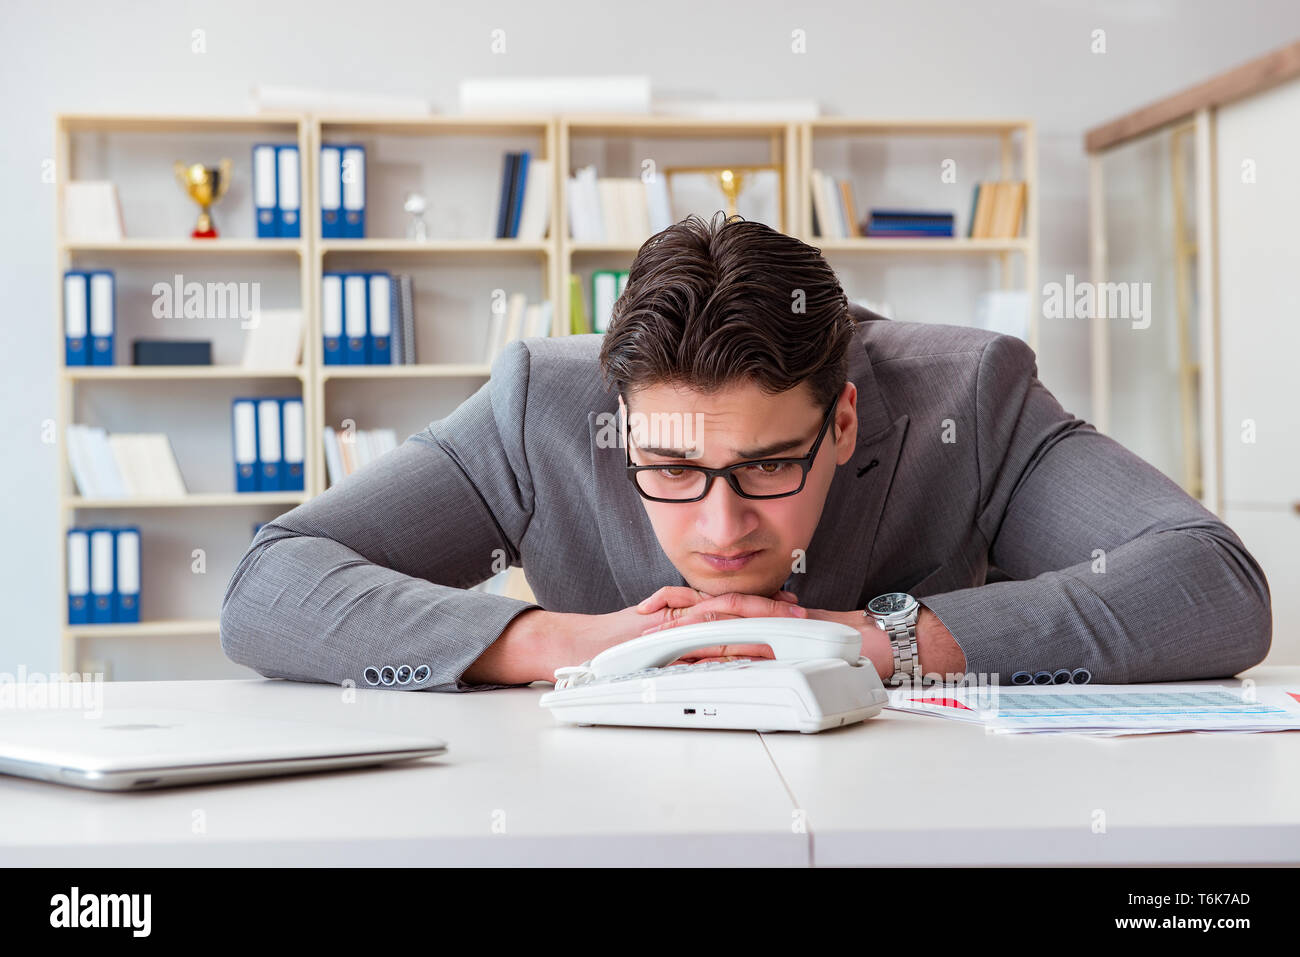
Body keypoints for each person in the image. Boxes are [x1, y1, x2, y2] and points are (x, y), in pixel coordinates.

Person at [220, 212, 1271, 691]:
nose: (720, 530)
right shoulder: (538, 404)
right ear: (620, 422)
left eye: (769, 466)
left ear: (845, 420)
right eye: (670, 472)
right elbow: (270, 586)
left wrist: (883, 643)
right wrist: (571, 645)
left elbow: (1215, 586)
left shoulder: (971, 395)